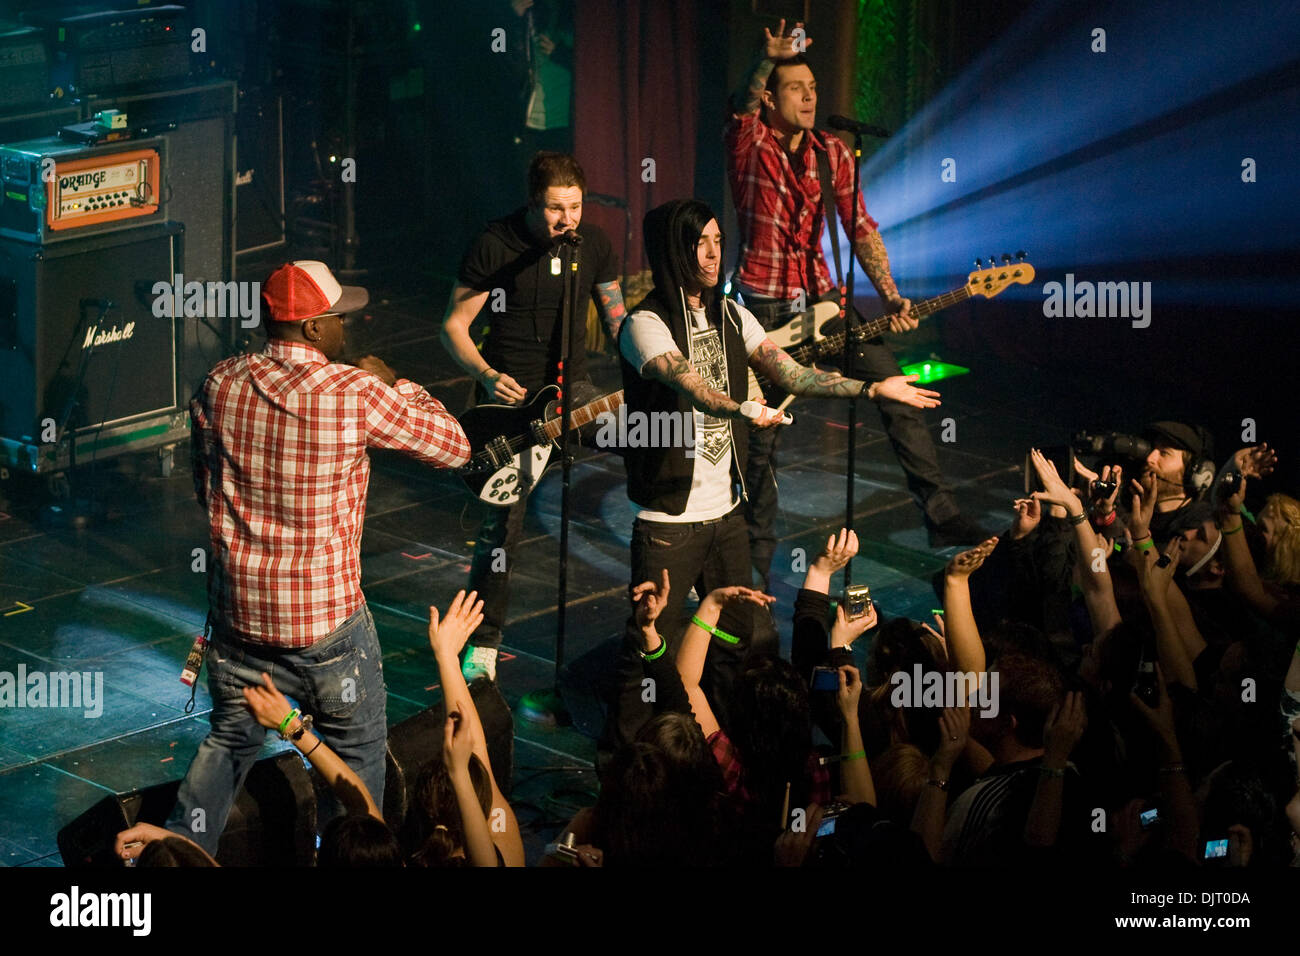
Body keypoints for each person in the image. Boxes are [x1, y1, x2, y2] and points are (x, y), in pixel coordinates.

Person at [605, 196, 939, 755]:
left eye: (717, 242)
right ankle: (628, 768)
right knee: (647, 646)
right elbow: (690, 383)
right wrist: (740, 408)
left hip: (726, 516)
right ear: (674, 252)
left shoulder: (734, 315)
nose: (712, 256)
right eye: (699, 245)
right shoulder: (644, 324)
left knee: (740, 638)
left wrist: (873, 387)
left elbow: (790, 371)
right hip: (670, 521)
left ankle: (733, 756)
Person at [168, 260, 469, 856]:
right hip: (327, 632)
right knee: (355, 779)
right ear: (312, 330)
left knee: (227, 750)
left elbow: (206, 487)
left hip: (242, 624)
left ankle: (173, 857)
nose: (348, 327)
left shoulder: (219, 383)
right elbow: (454, 446)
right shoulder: (354, 393)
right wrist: (394, 383)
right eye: (340, 318)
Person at [727, 19, 986, 568]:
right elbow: (740, 110)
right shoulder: (751, 146)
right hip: (763, 310)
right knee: (763, 438)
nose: (809, 98)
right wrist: (765, 58)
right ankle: (753, 551)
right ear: (771, 97)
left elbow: (860, 226)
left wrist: (890, 295)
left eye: (814, 89)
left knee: (899, 390)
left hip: (825, 303)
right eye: (796, 88)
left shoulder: (834, 153)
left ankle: (939, 516)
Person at [440, 151, 626, 688]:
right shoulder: (495, 244)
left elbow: (617, 323)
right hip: (510, 403)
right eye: (554, 209)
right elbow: (453, 325)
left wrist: (650, 355)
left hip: (574, 391)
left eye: (575, 207)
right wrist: (485, 370)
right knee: (503, 527)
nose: (567, 220)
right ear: (531, 203)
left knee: (652, 440)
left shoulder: (593, 245)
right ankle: (485, 640)